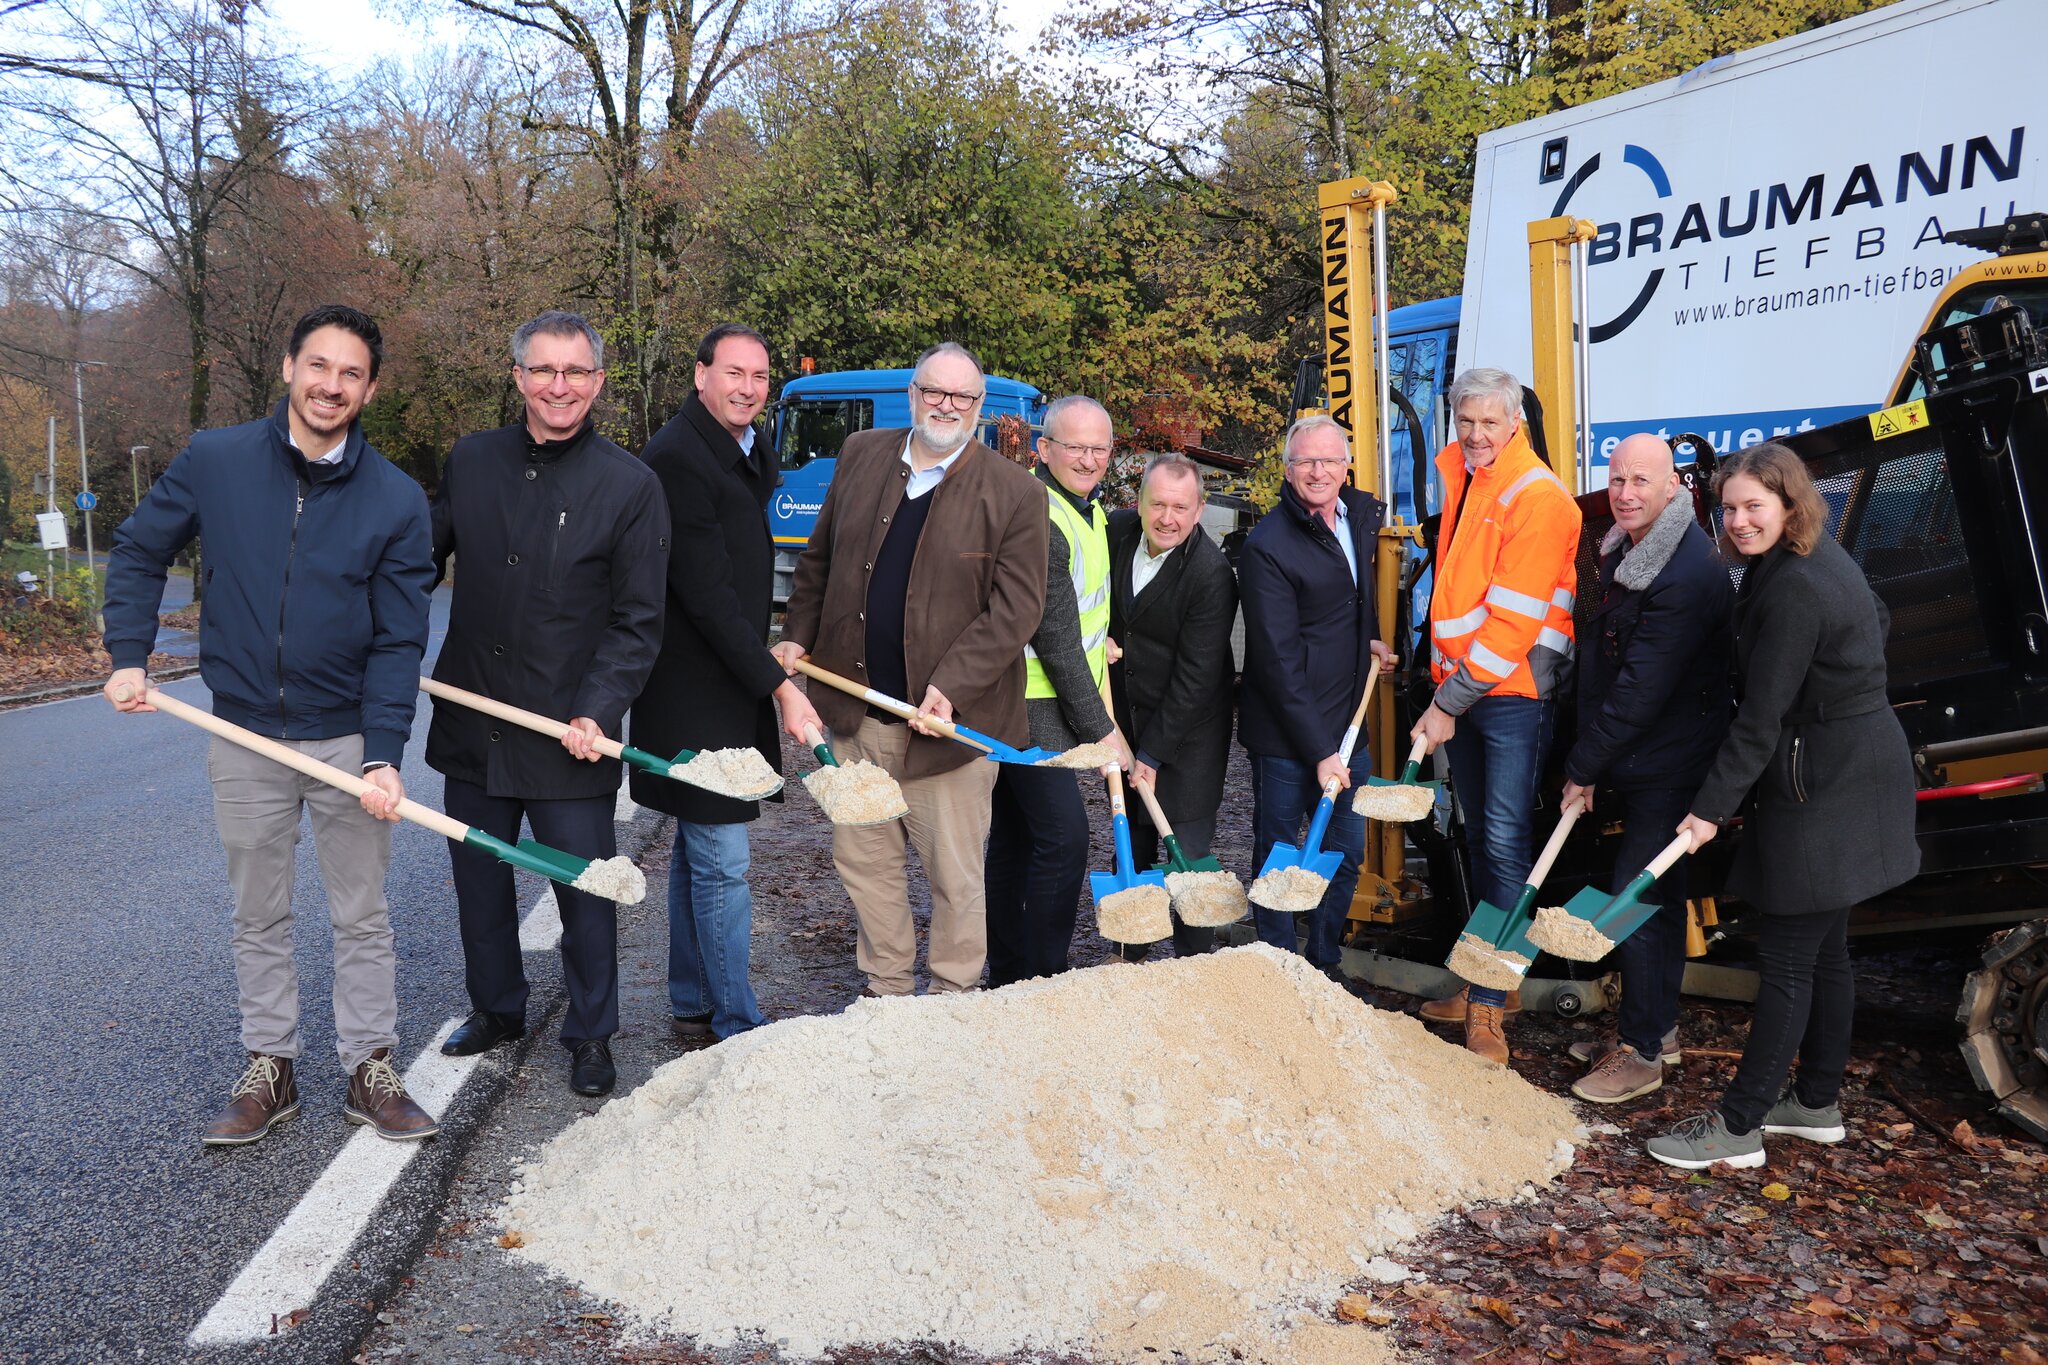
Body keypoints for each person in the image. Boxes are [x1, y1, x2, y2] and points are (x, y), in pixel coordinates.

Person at [102, 303, 439, 1145]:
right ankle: (270, 1067)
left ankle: (369, 1067)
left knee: (361, 914)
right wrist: (129, 653)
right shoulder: (216, 459)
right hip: (245, 733)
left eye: (351, 373)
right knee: (258, 911)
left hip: (347, 738)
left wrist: (384, 754)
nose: (331, 384)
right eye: (318, 365)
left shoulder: (397, 499)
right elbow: (140, 548)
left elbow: (400, 639)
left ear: (370, 389)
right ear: (289, 367)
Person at [1647, 443, 1919, 1169]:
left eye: (1754, 506)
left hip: (1826, 781)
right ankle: (1816, 1103)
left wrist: (1709, 809)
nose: (1738, 521)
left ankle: (1738, 1128)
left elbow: (1760, 718)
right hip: (1853, 760)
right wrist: (1841, 685)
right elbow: (1878, 616)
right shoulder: (1814, 553)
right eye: (1729, 508)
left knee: (1789, 958)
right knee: (1827, 950)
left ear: (1790, 503)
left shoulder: (1796, 586)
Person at [425, 310, 668, 1097]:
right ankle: (497, 1008)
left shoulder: (630, 486)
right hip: (474, 720)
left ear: (598, 381)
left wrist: (598, 708)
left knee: (586, 893)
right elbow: (415, 563)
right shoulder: (471, 461)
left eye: (575, 372)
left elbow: (637, 621)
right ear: (518, 376)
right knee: (479, 884)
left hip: (569, 731)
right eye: (543, 370)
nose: (558, 386)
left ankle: (591, 1033)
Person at [772, 342, 1048, 998]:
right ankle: (888, 995)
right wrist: (796, 638)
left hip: (949, 736)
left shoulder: (1015, 492)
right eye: (934, 391)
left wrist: (950, 688)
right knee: (868, 869)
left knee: (956, 880)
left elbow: (1016, 611)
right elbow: (819, 561)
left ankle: (953, 1000)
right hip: (856, 720)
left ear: (979, 407)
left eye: (962, 396)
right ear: (913, 395)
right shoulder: (862, 454)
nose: (946, 405)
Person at [633, 323, 822, 1043]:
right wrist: (780, 687)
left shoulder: (746, 446)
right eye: (734, 373)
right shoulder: (677, 459)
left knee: (697, 851)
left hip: (726, 678)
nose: (748, 388)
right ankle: (739, 1024)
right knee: (723, 862)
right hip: (691, 693)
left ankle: (692, 999)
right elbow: (708, 597)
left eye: (759, 376)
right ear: (700, 374)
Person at [1557, 434, 1734, 1103]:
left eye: (1640, 481)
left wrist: (1582, 766)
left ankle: (1642, 1053)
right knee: (1652, 898)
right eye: (1617, 480)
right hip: (1647, 753)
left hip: (1672, 760)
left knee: (1634, 897)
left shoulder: (1682, 572)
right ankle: (1657, 1030)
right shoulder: (1631, 548)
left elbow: (1639, 689)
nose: (1625, 494)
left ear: (1673, 488)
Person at [1413, 367, 1582, 1064]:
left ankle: (1488, 1006)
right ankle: (1494, 981)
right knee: (1482, 840)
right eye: (1466, 421)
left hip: (1509, 692)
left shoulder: (1536, 495)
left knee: (1505, 845)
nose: (1476, 433)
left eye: (1489, 422)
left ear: (1516, 423)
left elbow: (1511, 625)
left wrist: (1444, 703)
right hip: (1471, 686)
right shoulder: (1468, 476)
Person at [1238, 414, 1393, 975]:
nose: (1318, 471)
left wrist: (1369, 637)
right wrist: (1320, 750)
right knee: (1280, 860)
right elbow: (1277, 661)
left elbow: (1353, 597)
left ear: (1346, 466)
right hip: (1288, 738)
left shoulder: (1358, 518)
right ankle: (1279, 972)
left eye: (1329, 459)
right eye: (1305, 460)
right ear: (1287, 470)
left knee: (1345, 856)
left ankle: (1325, 967)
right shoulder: (1267, 546)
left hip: (1349, 729)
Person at [984, 396, 1129, 987]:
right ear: (1044, 449)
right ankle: (1044, 976)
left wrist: (1103, 640)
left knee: (1017, 838)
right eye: (1075, 447)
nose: (1088, 459)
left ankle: (1009, 974)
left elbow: (1078, 616)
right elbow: (1056, 641)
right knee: (1064, 839)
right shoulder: (1041, 516)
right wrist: (1104, 731)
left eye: (1099, 448)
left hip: (1046, 700)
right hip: (1027, 706)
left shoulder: (1087, 511)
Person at [1107, 452, 1239, 961]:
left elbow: (1196, 678)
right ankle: (1129, 961)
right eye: (1158, 504)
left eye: (1180, 508)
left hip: (1189, 733)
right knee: (1133, 850)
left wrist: (1154, 754)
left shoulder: (1211, 574)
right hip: (1127, 719)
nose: (1168, 518)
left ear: (1199, 509)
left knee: (1186, 853)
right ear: (1139, 502)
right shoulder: (1115, 534)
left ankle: (1192, 966)